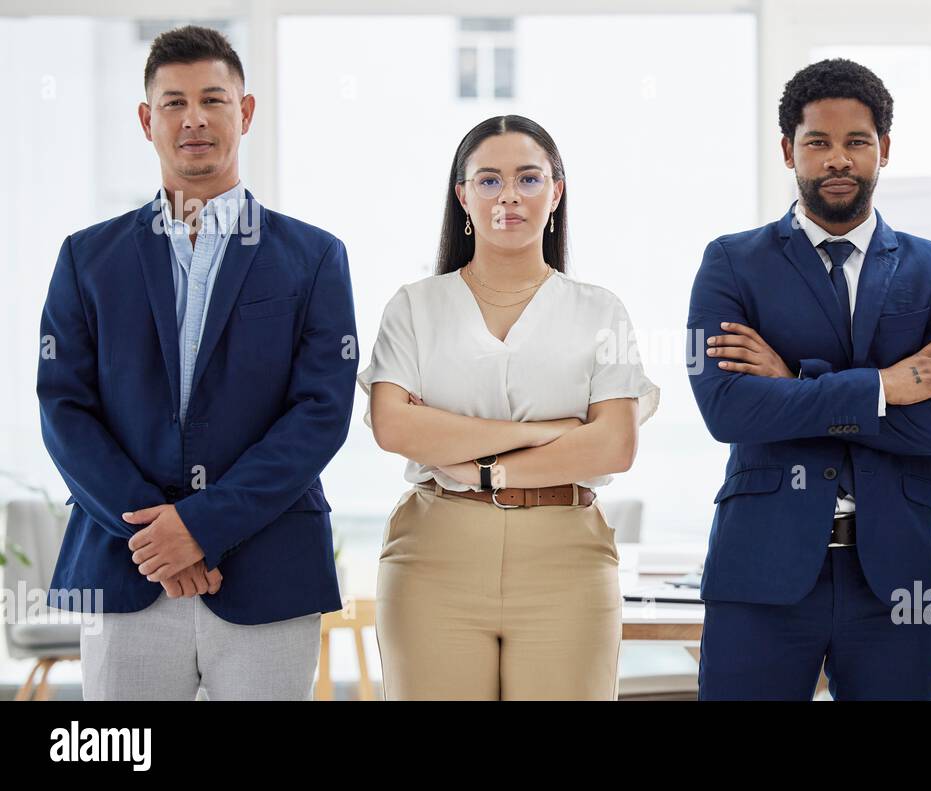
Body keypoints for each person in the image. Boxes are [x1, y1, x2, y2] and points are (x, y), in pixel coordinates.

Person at [37, 25, 358, 700]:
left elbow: (321, 414)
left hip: (267, 573)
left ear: (244, 112)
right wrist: (159, 537)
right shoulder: (87, 258)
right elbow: (65, 409)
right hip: (128, 573)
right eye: (174, 102)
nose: (194, 119)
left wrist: (201, 528)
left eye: (213, 99)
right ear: (146, 119)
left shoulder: (314, 256)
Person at [686, 59, 931, 700]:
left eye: (857, 142)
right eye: (818, 142)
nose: (837, 160)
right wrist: (884, 387)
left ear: (885, 150)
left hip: (898, 578)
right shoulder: (732, 263)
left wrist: (793, 379)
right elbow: (728, 410)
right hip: (761, 566)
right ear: (789, 149)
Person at [358, 115, 660, 700]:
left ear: (557, 191)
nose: (510, 196)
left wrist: (481, 465)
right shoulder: (415, 307)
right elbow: (394, 424)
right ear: (462, 195)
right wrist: (553, 432)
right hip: (434, 554)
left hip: (565, 558)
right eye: (489, 181)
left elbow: (613, 445)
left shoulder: (601, 310)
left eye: (528, 178)